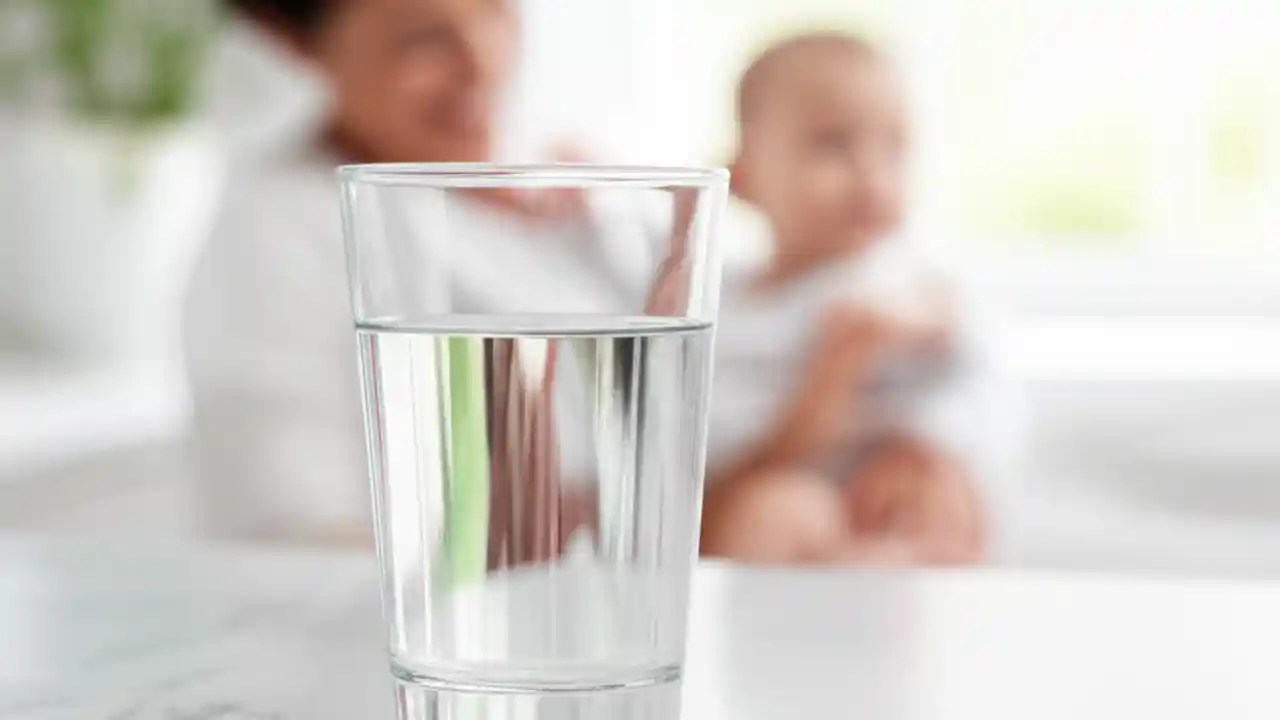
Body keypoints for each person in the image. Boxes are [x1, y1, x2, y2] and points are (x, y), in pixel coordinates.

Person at [186, 0, 599, 545]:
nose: (484, 61)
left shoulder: (565, 188)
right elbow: (294, 537)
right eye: (422, 38)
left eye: (498, 11)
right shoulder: (278, 231)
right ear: (298, 46)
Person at [701, 33, 1005, 565]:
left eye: (894, 147)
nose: (870, 171)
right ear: (741, 176)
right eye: (833, 143)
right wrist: (816, 401)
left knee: (936, 506)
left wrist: (925, 445)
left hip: (890, 501)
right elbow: (710, 449)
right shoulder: (726, 306)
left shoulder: (900, 282)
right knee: (773, 512)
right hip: (788, 495)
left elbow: (970, 368)